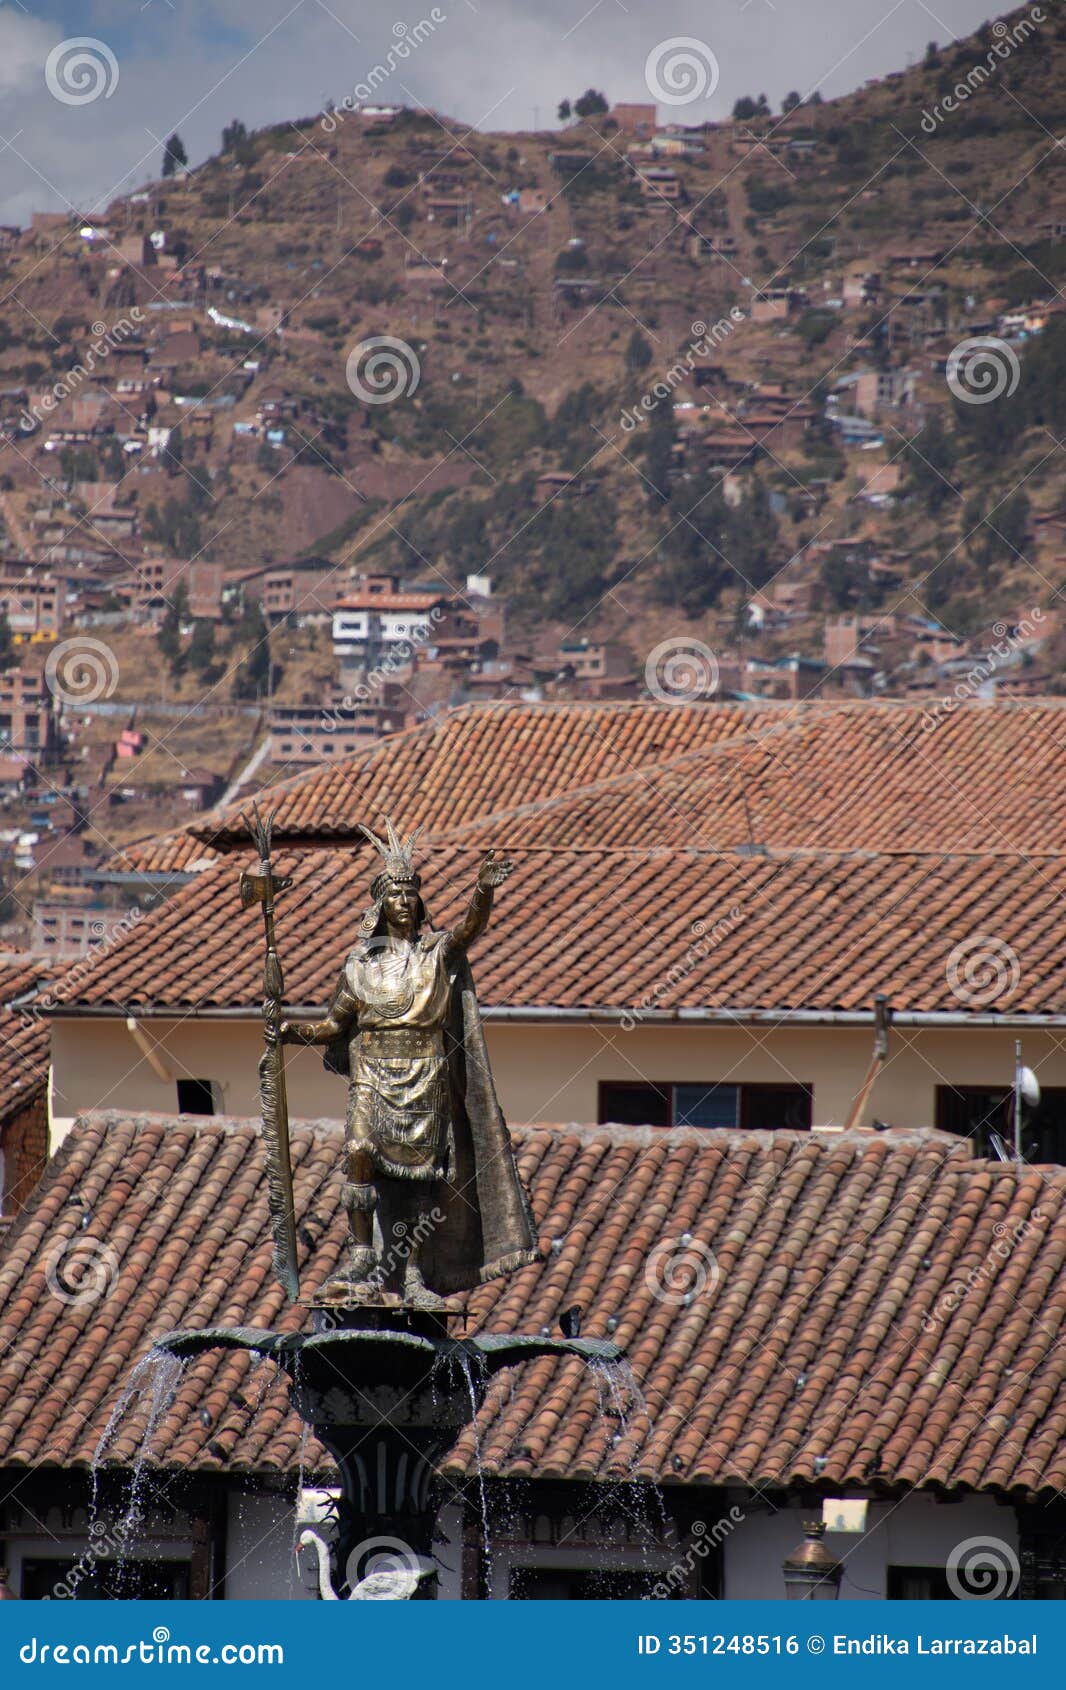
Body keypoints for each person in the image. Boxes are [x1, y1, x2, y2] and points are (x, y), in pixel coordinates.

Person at [281, 820, 539, 1307]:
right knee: (358, 1149)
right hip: (372, 1075)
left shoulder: (437, 954)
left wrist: (482, 889)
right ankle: (360, 1255)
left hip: (426, 1073)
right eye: (395, 894)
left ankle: (415, 1272)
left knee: (424, 1178)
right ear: (380, 905)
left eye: (410, 894)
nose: (404, 901)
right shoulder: (359, 964)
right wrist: (292, 1033)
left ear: (419, 905)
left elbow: (470, 928)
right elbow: (334, 1027)